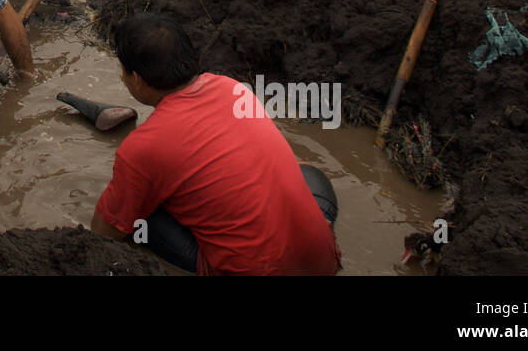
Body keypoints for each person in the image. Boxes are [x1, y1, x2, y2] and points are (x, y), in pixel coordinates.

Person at [91, 14, 341, 275]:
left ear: (138, 78)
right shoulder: (234, 88)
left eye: (122, 70)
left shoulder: (142, 147)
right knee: (308, 172)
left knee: (138, 214)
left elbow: (103, 232)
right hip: (322, 261)